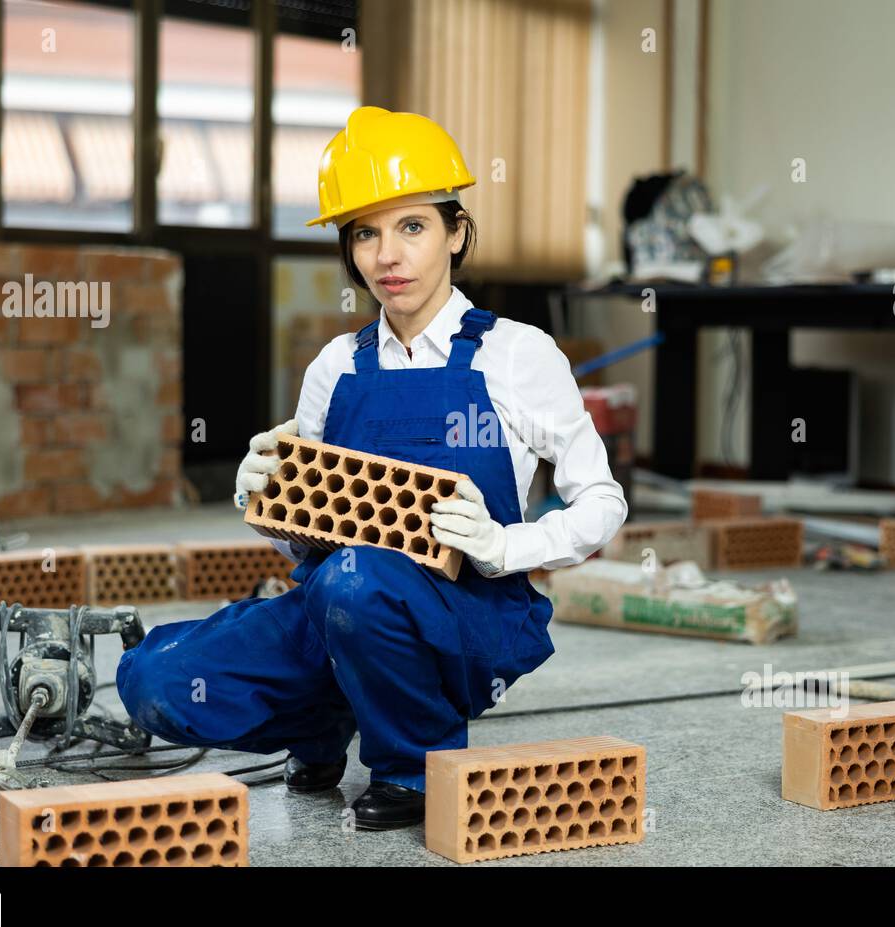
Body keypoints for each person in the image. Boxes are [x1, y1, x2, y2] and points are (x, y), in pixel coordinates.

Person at [117, 106, 628, 830]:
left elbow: (603, 501)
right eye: (365, 233)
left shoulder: (516, 354)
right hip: (336, 602)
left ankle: (412, 766)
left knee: (359, 585)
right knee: (153, 680)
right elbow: (310, 542)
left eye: (412, 227)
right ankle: (323, 722)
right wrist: (266, 500)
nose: (389, 256)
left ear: (455, 232)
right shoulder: (336, 366)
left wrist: (505, 546)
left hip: (464, 616)